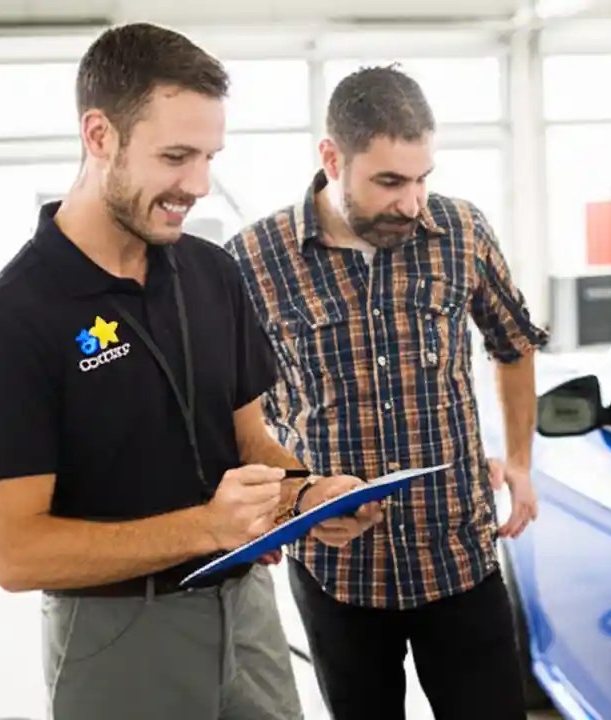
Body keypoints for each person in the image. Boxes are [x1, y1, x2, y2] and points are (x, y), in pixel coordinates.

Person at [0, 23, 380, 720]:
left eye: (209, 156)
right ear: (99, 136)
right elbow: (15, 553)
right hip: (117, 638)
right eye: (176, 156)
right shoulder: (9, 322)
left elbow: (249, 442)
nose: (200, 185)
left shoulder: (211, 273)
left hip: (247, 617)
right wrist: (207, 528)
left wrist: (306, 498)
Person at [225, 64, 548, 719]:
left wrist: (518, 461)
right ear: (331, 158)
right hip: (338, 572)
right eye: (390, 181)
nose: (413, 203)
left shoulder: (462, 232)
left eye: (424, 177)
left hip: (459, 555)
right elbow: (230, 407)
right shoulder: (253, 259)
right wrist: (283, 501)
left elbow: (513, 344)